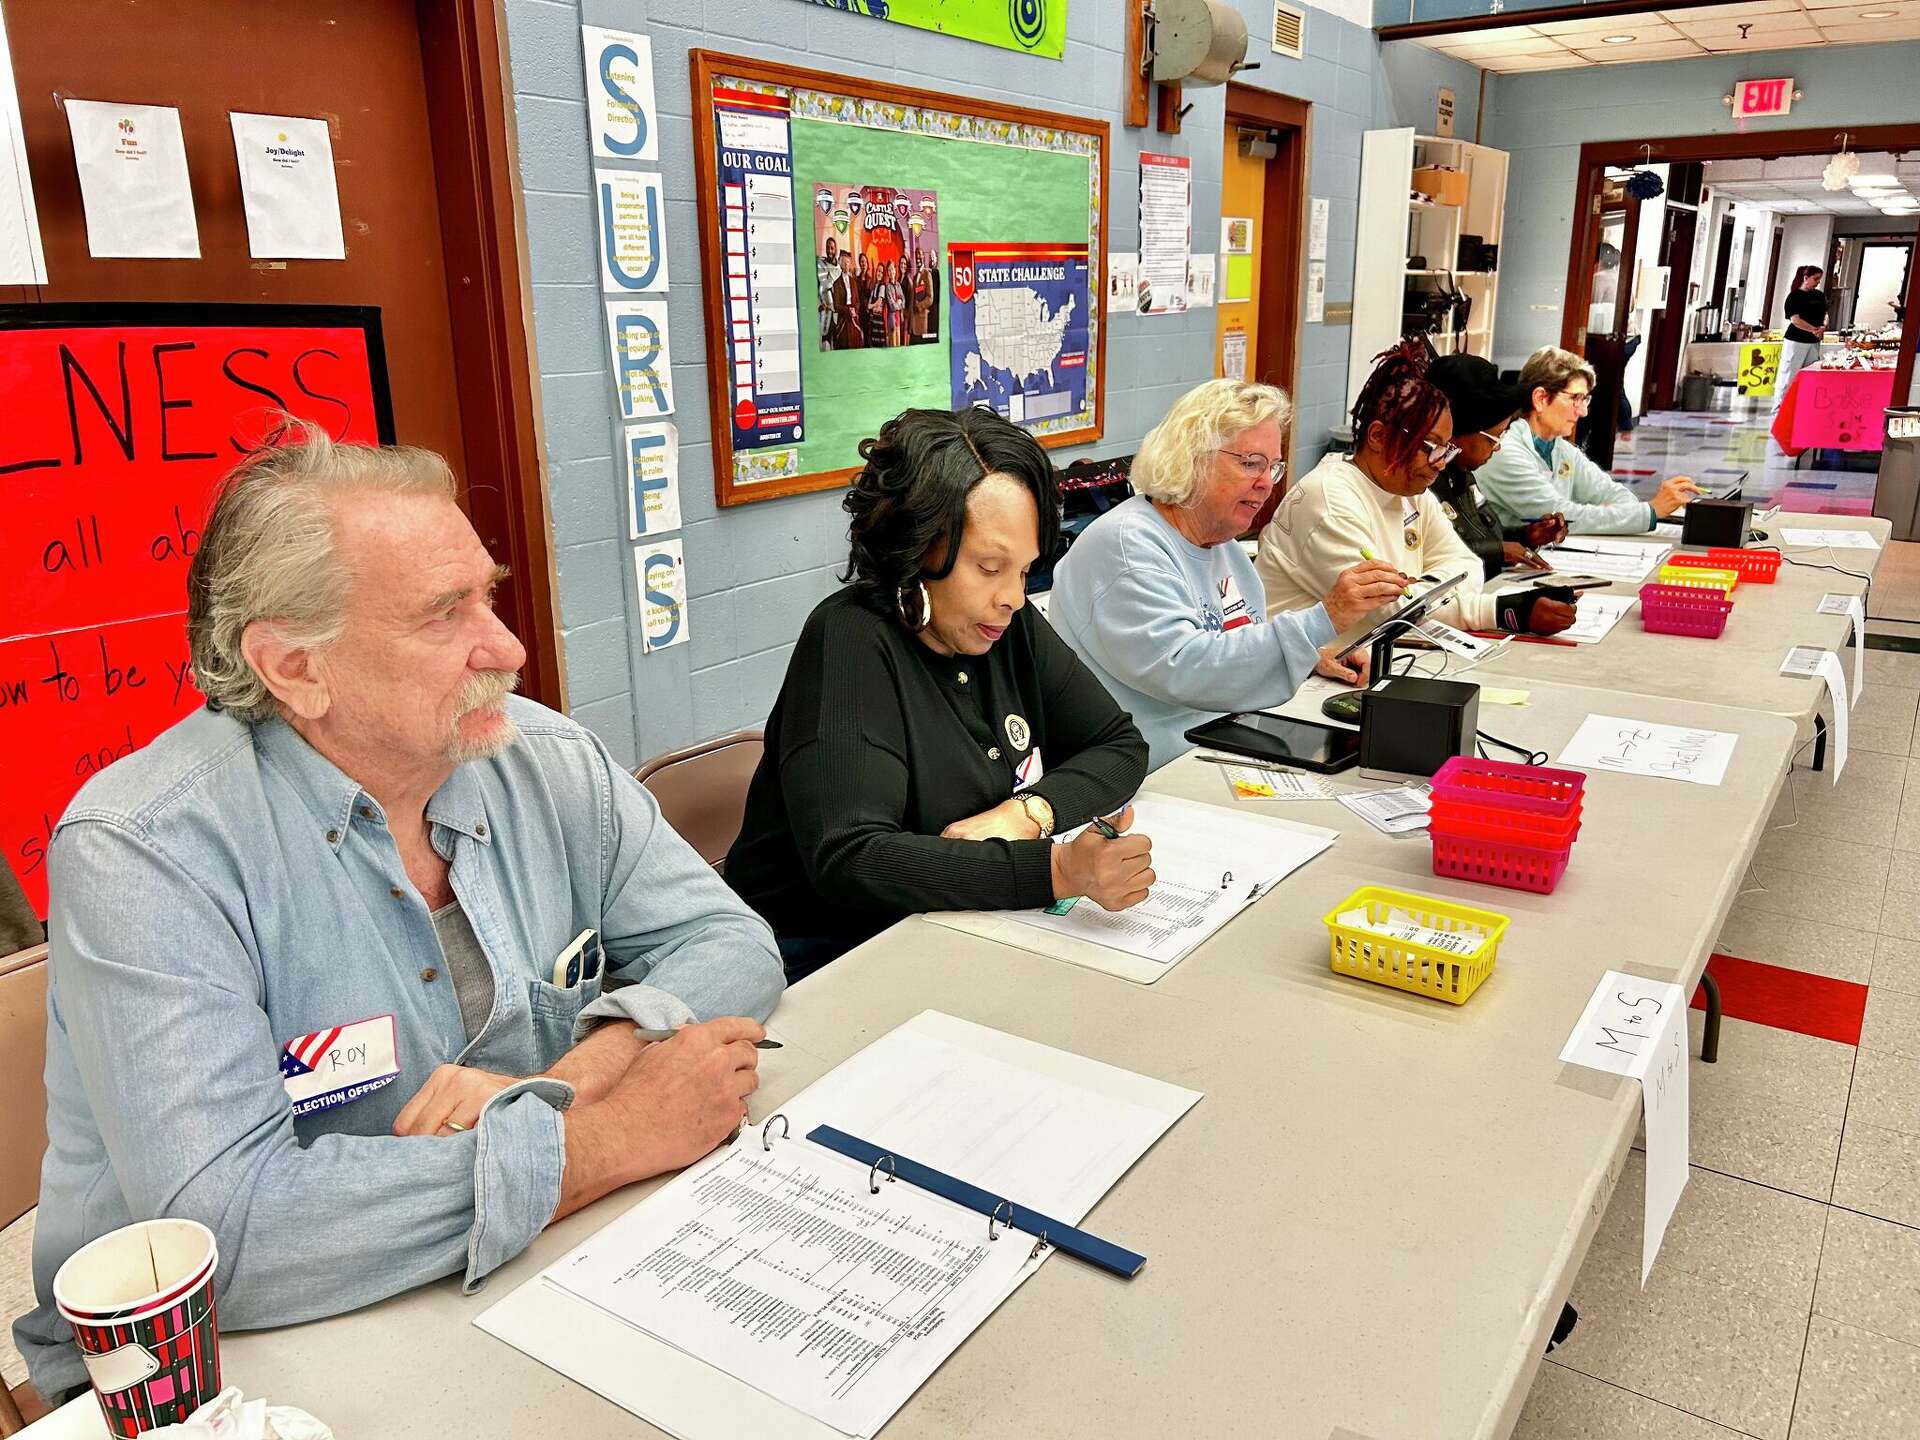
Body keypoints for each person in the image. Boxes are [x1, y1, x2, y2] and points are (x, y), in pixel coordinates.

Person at [16, 424, 783, 1407]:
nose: (506, 647)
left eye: (489, 596)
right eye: (443, 615)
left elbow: (728, 941)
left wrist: (586, 1068)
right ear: (296, 667)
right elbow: (223, 1237)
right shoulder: (149, 851)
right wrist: (600, 1143)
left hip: (517, 1274)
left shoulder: (542, 758)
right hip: (209, 1377)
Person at [725, 407, 1152, 974]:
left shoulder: (1004, 626)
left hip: (949, 929)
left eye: (1024, 571)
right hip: (824, 958)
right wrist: (1059, 870)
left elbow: (1119, 745)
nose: (1013, 598)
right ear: (919, 548)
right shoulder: (850, 641)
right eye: (989, 567)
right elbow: (853, 858)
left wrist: (1031, 813)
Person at [1048, 380, 1408, 771]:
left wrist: (1308, 653)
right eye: (1251, 462)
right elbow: (1189, 668)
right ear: (1191, 459)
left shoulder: (1222, 544)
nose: (1267, 482)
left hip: (1213, 739)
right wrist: (1321, 620)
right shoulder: (1126, 546)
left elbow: (1230, 640)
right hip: (1145, 770)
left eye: (1273, 466)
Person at [1258, 342, 1578, 638]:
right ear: (1378, 436)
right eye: (1432, 447)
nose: (1440, 464)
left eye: (1446, 450)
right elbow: (1390, 614)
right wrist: (1498, 610)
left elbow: (1467, 567)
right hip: (1300, 682)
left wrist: (1416, 588)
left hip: (1367, 657)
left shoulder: (1414, 494)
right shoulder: (1329, 500)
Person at [1475, 345, 1699, 535]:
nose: (1583, 412)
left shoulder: (1560, 448)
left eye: (1585, 399)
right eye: (1575, 398)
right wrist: (1650, 511)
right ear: (1541, 398)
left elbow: (1614, 494)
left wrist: (1619, 513)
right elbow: (1559, 515)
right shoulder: (1504, 451)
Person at [1425, 353, 1569, 582]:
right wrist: (1499, 551)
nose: (1497, 448)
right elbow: (1435, 552)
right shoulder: (1424, 483)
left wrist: (1528, 536)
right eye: (1492, 439)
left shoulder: (1463, 475)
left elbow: (1483, 532)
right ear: (1455, 432)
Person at [1777, 264, 1828, 408]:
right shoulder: (1794, 296)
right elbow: (1795, 320)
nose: (1818, 282)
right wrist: (1813, 329)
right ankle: (1781, 408)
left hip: (1814, 341)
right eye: (1815, 279)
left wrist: (1823, 326)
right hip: (1796, 339)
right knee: (1789, 374)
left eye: (1819, 279)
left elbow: (1825, 314)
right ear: (1805, 278)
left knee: (1811, 375)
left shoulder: (1819, 295)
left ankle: (1804, 406)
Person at [829, 250, 865, 350]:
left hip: (853, 318)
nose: (846, 264)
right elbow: (836, 305)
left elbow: (857, 301)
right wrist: (847, 310)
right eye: (844, 262)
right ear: (840, 264)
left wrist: (855, 310)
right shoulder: (836, 283)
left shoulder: (854, 282)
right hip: (843, 320)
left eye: (848, 262)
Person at [817, 236, 841, 349]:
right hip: (826, 310)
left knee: (837, 342)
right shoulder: (821, 265)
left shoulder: (839, 268)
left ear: (835, 249)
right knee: (825, 341)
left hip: (838, 311)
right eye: (827, 248)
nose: (829, 251)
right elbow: (821, 287)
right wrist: (820, 304)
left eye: (832, 248)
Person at [908, 249, 934, 343]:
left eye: (920, 254)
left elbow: (930, 298)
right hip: (913, 324)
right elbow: (913, 299)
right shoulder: (915, 277)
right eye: (916, 255)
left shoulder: (927, 274)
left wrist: (919, 306)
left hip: (922, 322)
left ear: (923, 256)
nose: (918, 257)